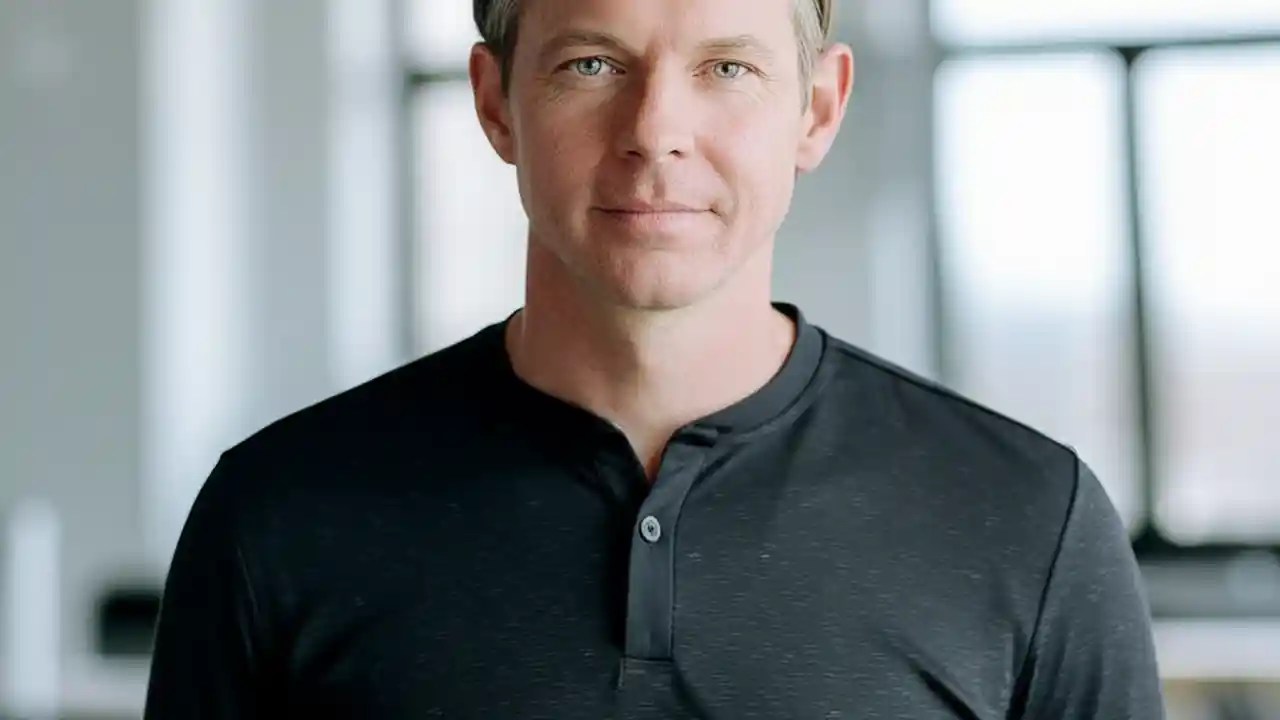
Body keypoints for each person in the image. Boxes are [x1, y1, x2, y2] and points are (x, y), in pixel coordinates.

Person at [144, 0, 1166, 717]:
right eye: (591, 62)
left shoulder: (1028, 521)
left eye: (727, 67)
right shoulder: (276, 515)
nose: (654, 132)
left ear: (814, 108)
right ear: (496, 102)